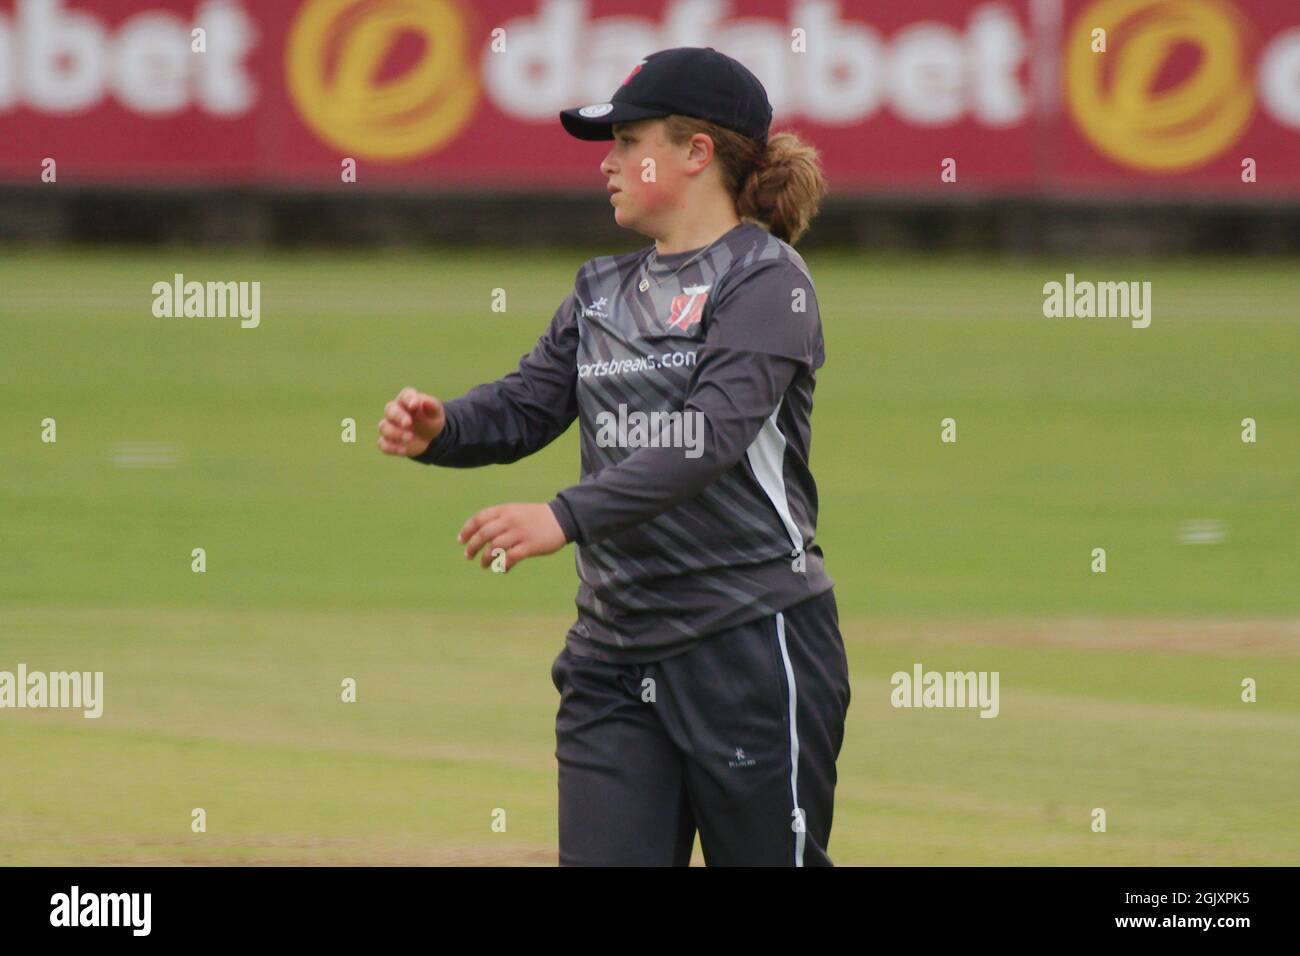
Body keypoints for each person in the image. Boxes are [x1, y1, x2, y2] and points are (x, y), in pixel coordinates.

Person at [378, 46, 849, 866]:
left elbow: (705, 438)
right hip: (612, 654)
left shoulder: (769, 283)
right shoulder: (600, 290)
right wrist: (444, 427)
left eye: (630, 142)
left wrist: (564, 516)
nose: (609, 162)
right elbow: (528, 404)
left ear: (696, 152)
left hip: (749, 646)